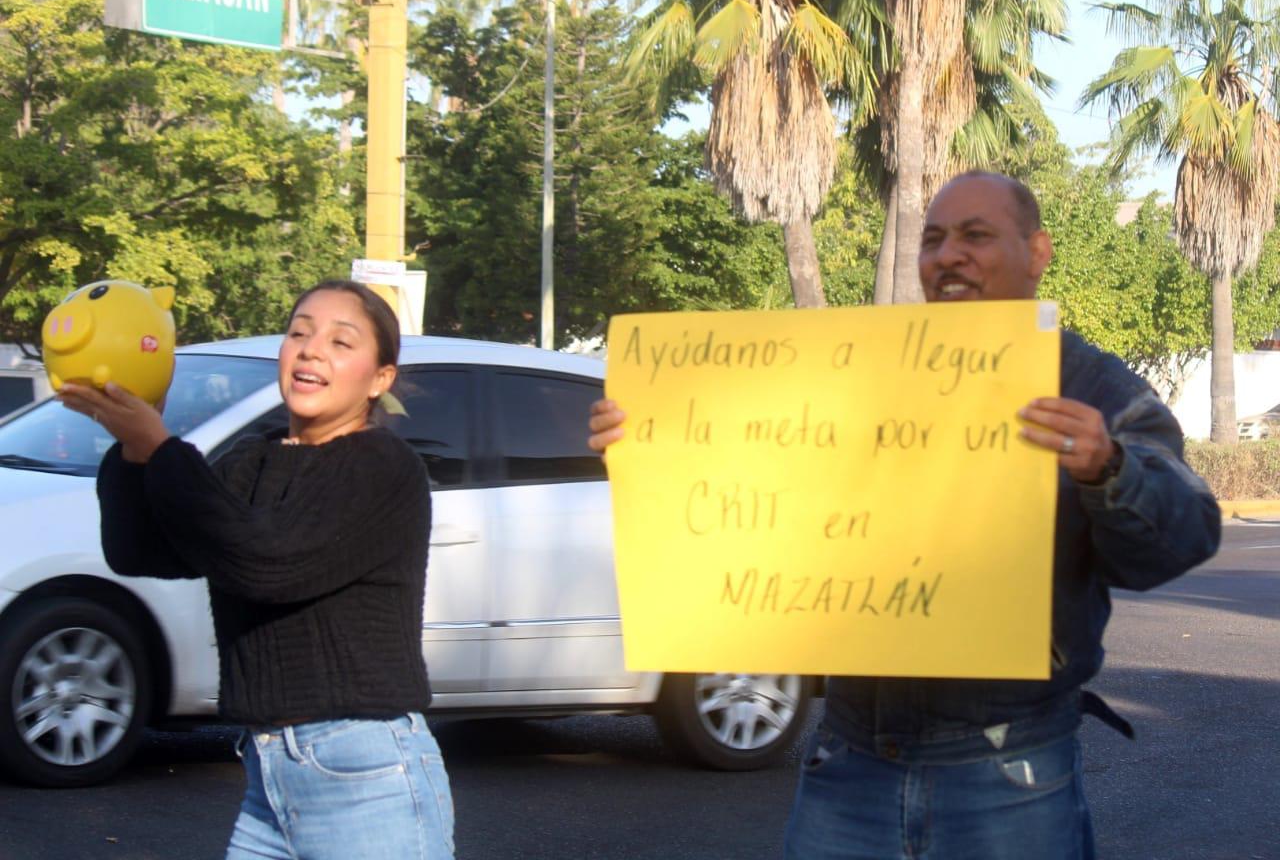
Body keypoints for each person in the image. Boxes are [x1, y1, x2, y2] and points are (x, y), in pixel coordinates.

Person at [588, 171, 1222, 859]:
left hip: (1007, 769)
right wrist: (652, 446)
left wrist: (1110, 467)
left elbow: (1184, 536)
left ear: (1037, 252)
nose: (948, 255)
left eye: (976, 236)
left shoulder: (1094, 388)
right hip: (848, 762)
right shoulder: (851, 372)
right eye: (933, 239)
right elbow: (759, 499)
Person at [59, 280, 455, 860]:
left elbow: (267, 563)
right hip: (269, 779)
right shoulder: (253, 459)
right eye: (298, 332)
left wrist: (163, 449)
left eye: (341, 342)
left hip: (366, 777)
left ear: (380, 379)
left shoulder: (384, 467)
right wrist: (132, 450)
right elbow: (143, 551)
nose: (311, 349)